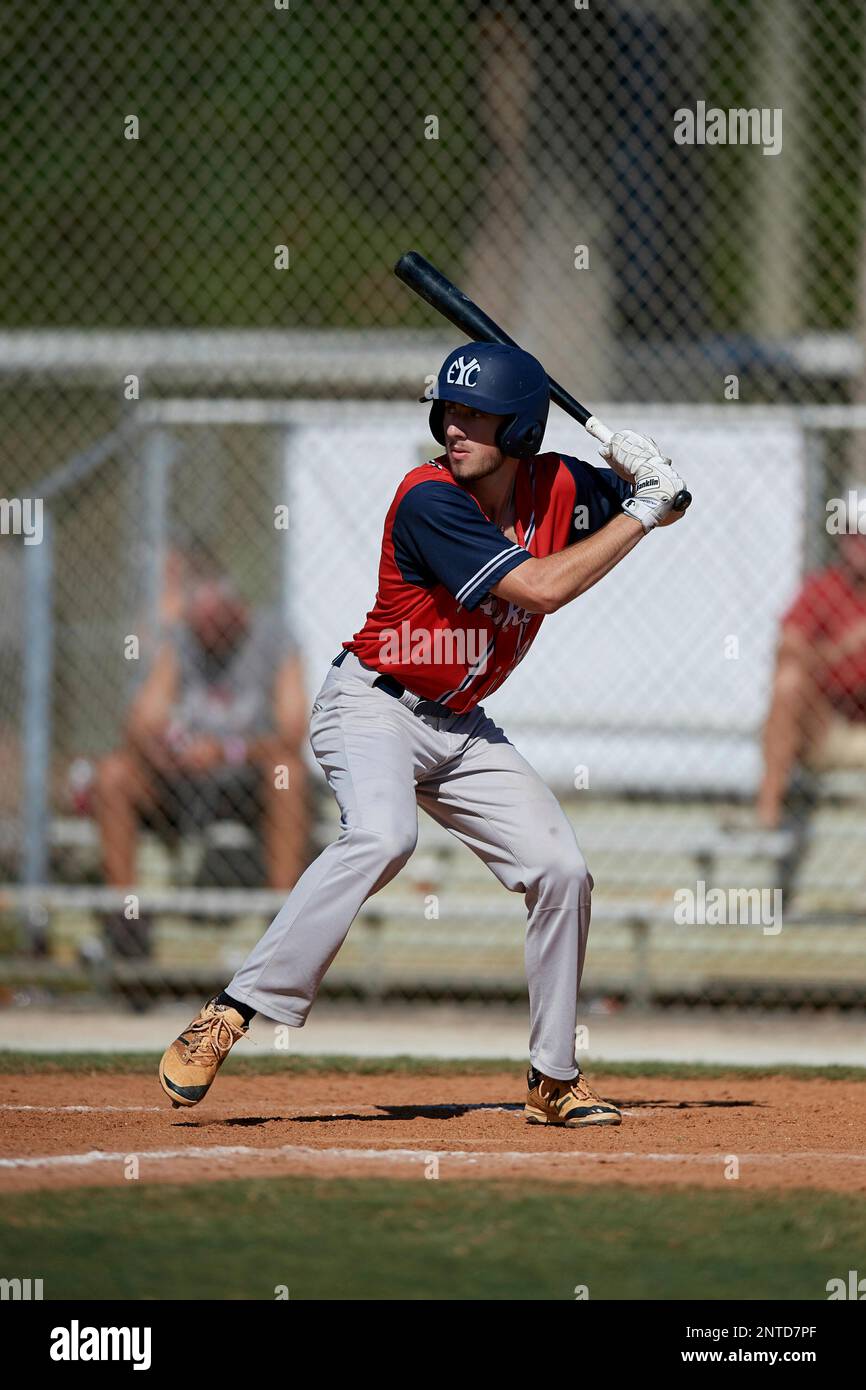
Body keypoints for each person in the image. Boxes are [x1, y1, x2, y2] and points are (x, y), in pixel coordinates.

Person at [158, 342, 688, 1125]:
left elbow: (667, 500)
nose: (453, 428)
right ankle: (234, 1010)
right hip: (373, 703)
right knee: (382, 837)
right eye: (449, 411)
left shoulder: (566, 485)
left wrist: (648, 475)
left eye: (475, 415)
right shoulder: (427, 498)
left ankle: (553, 1076)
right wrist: (642, 509)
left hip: (463, 727)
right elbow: (538, 590)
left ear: (520, 430)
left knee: (561, 871)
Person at [94, 550, 308, 955]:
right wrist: (163, 753)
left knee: (289, 773)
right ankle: (126, 924)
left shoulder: (276, 637)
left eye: (215, 630)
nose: (206, 642)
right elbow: (141, 721)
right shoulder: (181, 640)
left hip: (249, 785)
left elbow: (292, 732)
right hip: (182, 785)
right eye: (199, 630)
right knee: (113, 774)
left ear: (237, 613)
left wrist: (228, 752)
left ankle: (282, 928)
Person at [757, 529, 866, 829]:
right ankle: (768, 810)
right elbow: (787, 651)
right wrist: (844, 649)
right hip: (828, 722)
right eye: (855, 534)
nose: (861, 544)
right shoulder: (824, 590)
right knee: (790, 681)